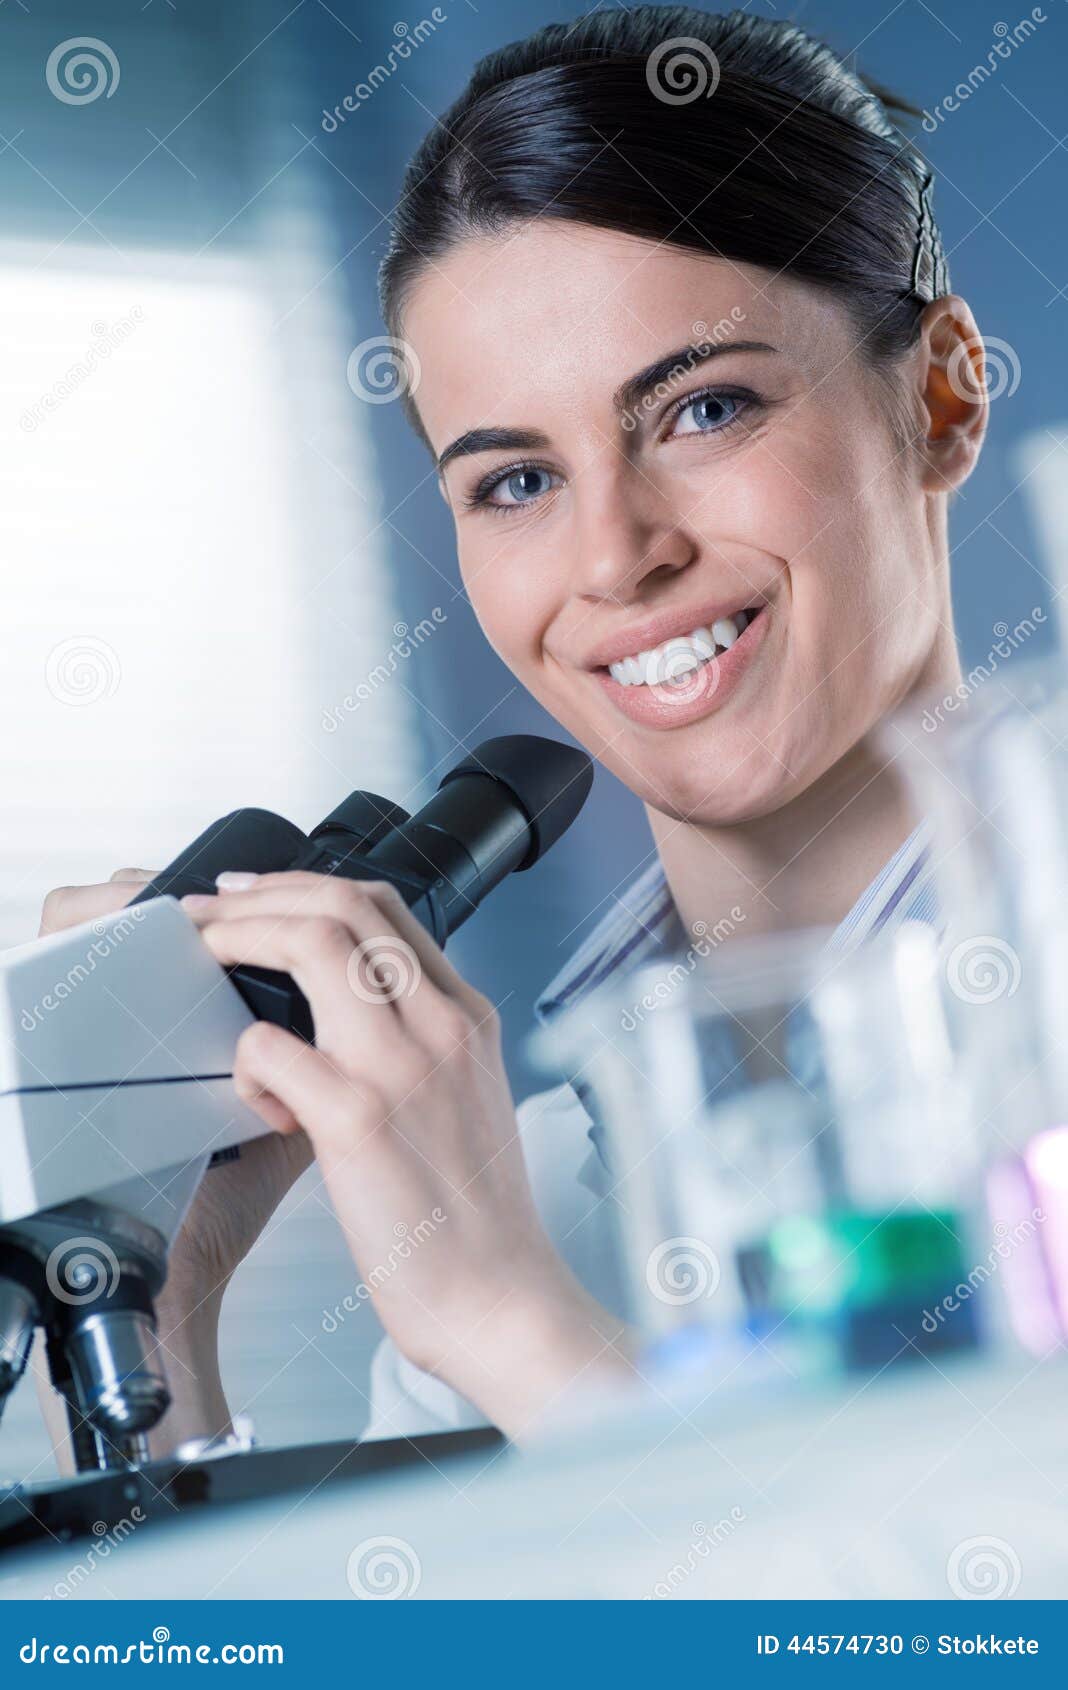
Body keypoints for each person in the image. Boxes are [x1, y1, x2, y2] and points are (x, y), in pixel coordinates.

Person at [37, 6, 986, 1456]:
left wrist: (514, 1327)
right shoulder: (528, 1182)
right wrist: (158, 1324)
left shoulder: (490, 1259)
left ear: (938, 395)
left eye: (704, 409)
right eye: (517, 482)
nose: (615, 557)